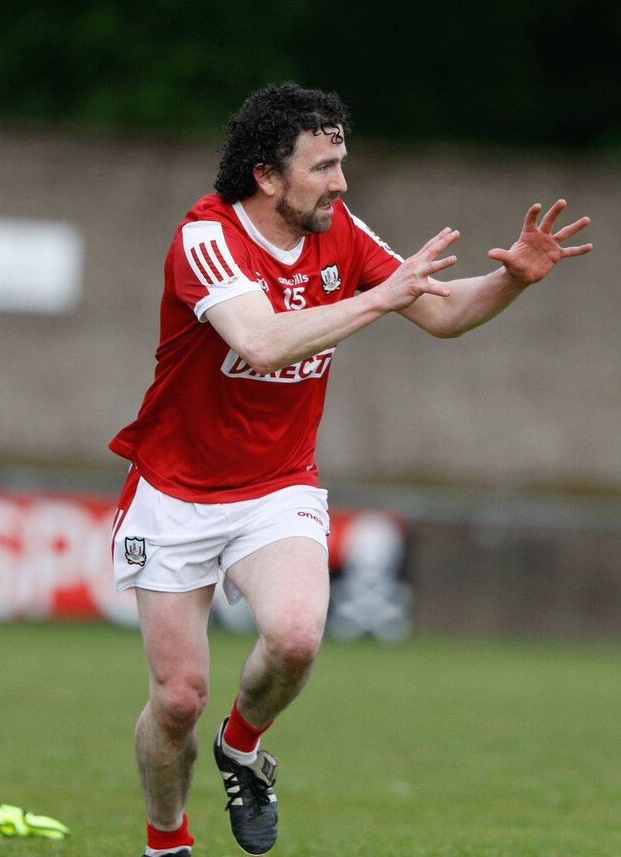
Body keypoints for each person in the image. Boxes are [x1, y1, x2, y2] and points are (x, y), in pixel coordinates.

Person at [109, 82, 592, 857]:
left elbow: (437, 312)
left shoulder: (342, 232)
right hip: (174, 490)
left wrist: (512, 280)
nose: (341, 181)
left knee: (296, 637)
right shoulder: (206, 239)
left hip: (277, 483)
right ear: (268, 176)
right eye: (324, 166)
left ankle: (241, 748)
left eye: (343, 162)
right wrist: (382, 299)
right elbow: (262, 341)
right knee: (176, 698)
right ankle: (168, 841)